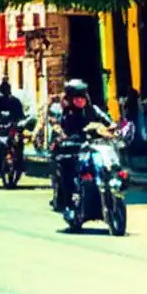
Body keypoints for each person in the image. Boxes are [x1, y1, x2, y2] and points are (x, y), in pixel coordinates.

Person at [49, 79, 114, 209]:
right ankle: (68, 202)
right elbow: (56, 127)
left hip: (90, 147)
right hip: (69, 149)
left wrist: (113, 129)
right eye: (76, 98)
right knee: (67, 168)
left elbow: (108, 122)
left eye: (82, 98)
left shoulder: (92, 110)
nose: (80, 101)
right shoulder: (61, 111)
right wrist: (62, 137)